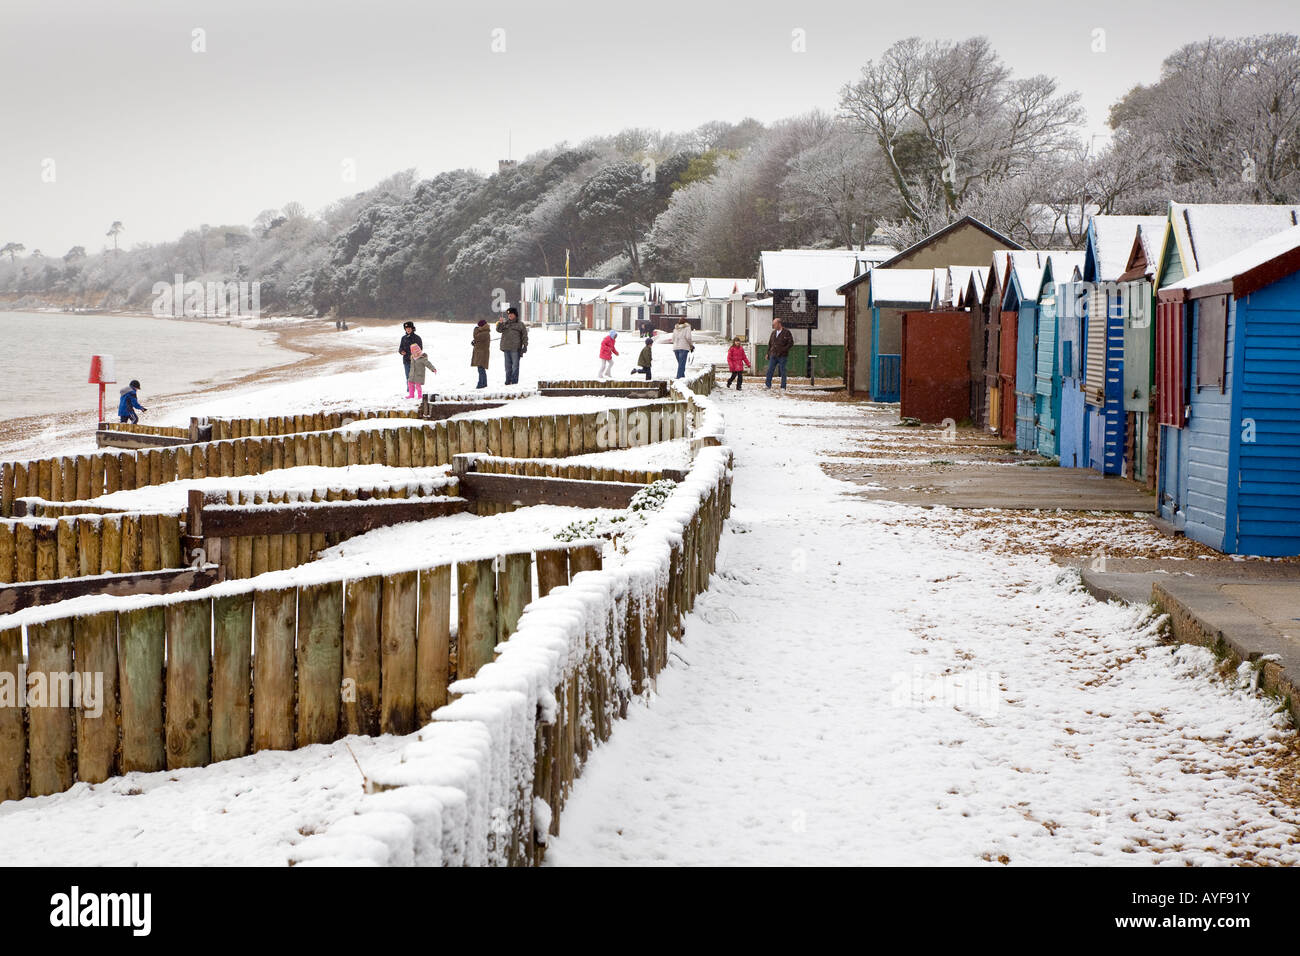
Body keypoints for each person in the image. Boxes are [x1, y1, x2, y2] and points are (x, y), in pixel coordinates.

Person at [496, 307, 528, 385]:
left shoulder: (520, 324)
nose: (509, 315)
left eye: (511, 314)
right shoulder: (505, 323)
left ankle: (514, 381)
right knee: (507, 367)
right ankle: (508, 381)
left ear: (515, 315)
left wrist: (525, 345)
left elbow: (524, 336)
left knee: (515, 367)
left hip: (515, 349)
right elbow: (499, 330)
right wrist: (500, 323)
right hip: (506, 348)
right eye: (508, 314)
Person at [765, 317, 794, 390]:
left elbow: (791, 343)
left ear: (779, 324)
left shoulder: (786, 332)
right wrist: (768, 353)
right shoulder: (773, 333)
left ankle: (783, 386)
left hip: (782, 356)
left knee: (783, 371)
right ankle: (768, 385)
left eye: (774, 324)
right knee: (770, 370)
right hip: (773, 355)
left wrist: (783, 350)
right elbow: (770, 344)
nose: (773, 326)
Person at [471, 319, 491, 389]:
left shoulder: (484, 333)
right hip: (481, 353)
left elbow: (476, 336)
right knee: (481, 369)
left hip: (482, 354)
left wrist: (476, 329)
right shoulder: (484, 332)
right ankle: (483, 383)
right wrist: (475, 342)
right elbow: (478, 341)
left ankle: (482, 384)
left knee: (481, 369)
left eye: (479, 326)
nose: (478, 327)